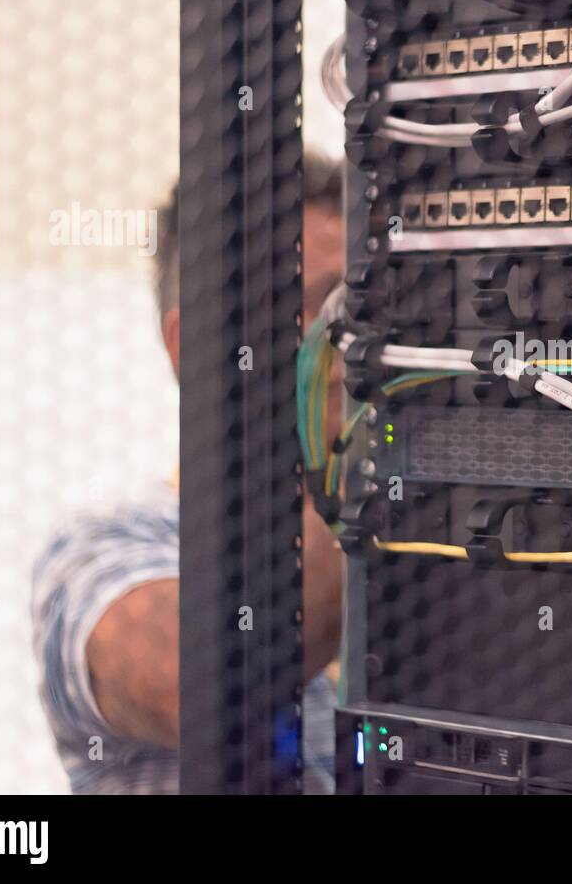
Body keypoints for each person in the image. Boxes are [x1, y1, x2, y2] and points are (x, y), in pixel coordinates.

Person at [32, 154, 345, 793]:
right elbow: (206, 687)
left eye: (354, 302)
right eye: (303, 307)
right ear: (194, 349)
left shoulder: (425, 541)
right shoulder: (105, 550)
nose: (345, 339)